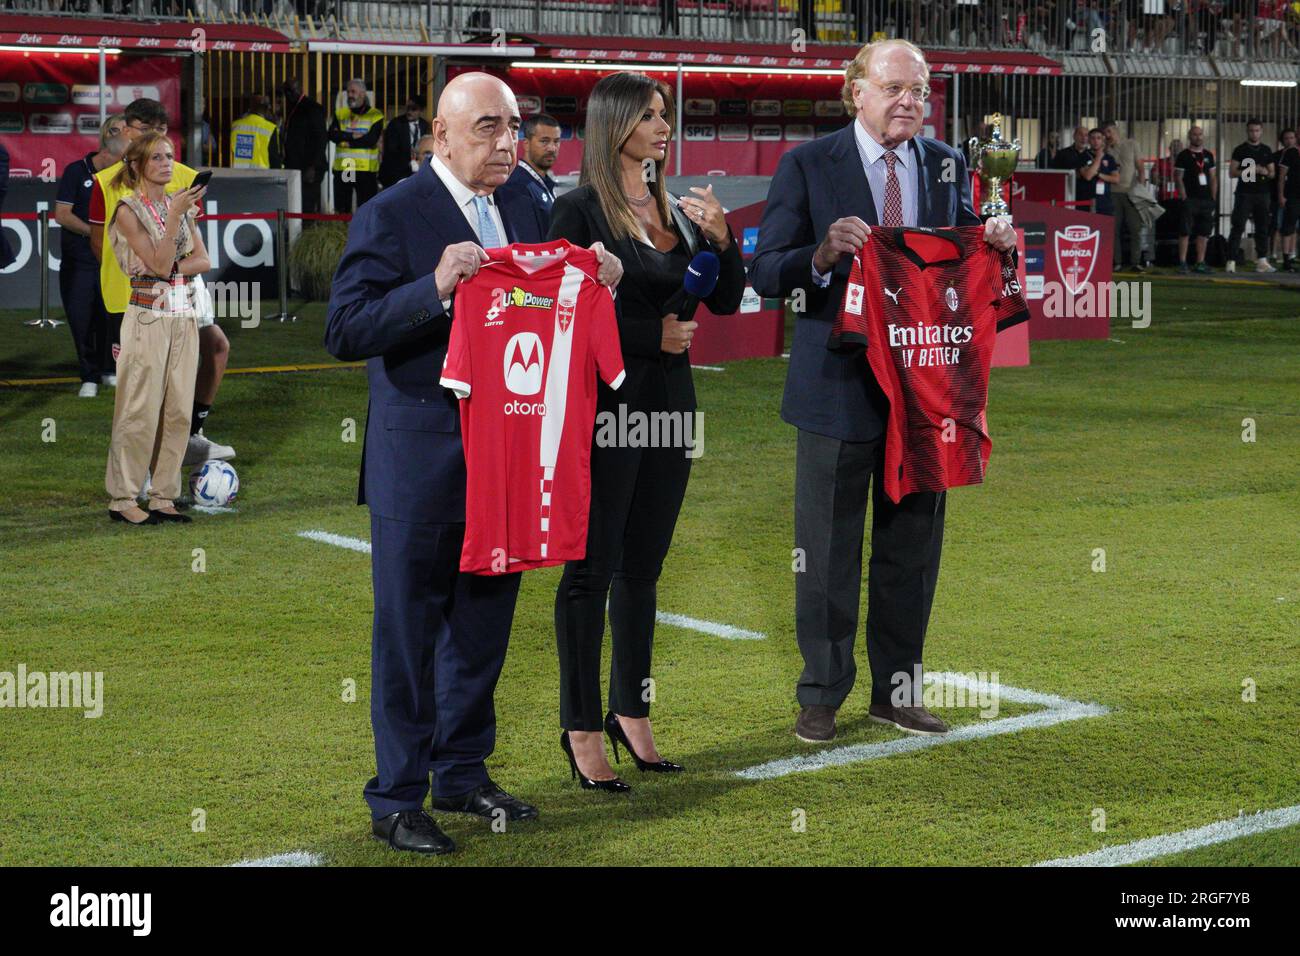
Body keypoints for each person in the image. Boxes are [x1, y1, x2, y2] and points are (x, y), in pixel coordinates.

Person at [324, 72, 623, 855]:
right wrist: (433, 287)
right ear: (441, 137)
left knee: (485, 627)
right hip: (421, 463)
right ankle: (396, 797)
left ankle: (461, 773)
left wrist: (600, 278)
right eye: (487, 128)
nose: (506, 142)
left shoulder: (528, 203)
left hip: (513, 456)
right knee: (408, 635)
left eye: (513, 126)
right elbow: (346, 327)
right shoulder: (390, 214)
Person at [750, 38, 1016, 743]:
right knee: (827, 551)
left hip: (927, 388)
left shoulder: (947, 164)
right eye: (896, 87)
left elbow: (956, 261)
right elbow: (766, 273)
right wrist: (821, 254)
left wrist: (995, 243)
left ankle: (896, 693)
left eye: (921, 91)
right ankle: (822, 693)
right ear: (856, 92)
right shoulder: (807, 164)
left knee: (912, 549)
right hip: (838, 386)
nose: (910, 102)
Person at [547, 72, 745, 790]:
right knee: (591, 571)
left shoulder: (676, 207)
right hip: (606, 410)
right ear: (615, 124)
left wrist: (726, 240)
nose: (665, 126)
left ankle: (633, 714)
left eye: (666, 114)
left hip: (672, 409)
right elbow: (558, 314)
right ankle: (579, 727)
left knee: (643, 570)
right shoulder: (575, 212)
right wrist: (644, 336)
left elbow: (721, 299)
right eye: (651, 115)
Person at [88, 98, 235, 468]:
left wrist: (171, 271)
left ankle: (190, 438)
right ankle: (136, 471)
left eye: (150, 134)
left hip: (184, 292)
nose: (140, 139)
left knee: (213, 348)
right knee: (143, 388)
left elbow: (197, 246)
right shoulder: (105, 182)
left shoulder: (184, 176)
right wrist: (139, 275)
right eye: (134, 130)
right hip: (133, 294)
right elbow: (98, 243)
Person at [104, 132, 210, 526]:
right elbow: (160, 263)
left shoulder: (176, 205)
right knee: (139, 409)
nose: (167, 164)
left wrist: (171, 265)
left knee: (179, 410)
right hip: (147, 316)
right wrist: (174, 224)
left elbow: (202, 260)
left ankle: (164, 494)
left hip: (183, 315)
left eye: (170, 156)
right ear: (138, 166)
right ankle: (123, 497)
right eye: (158, 158)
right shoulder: (128, 211)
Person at [56, 115, 125, 397]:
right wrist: (95, 234)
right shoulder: (76, 171)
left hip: (113, 262)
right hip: (79, 262)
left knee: (112, 317)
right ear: (108, 143)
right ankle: (89, 376)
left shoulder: (125, 176)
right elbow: (62, 215)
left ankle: (110, 369)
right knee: (81, 317)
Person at [1226, 118, 1277, 273]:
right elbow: (1232, 173)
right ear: (1247, 131)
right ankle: (1231, 260)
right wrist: (1251, 170)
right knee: (1238, 226)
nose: (1254, 133)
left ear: (1261, 131)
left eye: (1257, 130)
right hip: (1244, 194)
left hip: (1263, 194)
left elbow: (1273, 173)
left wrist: (1266, 172)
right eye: (1251, 130)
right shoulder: (1240, 150)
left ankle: (1262, 260)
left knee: (1262, 227)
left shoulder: (1266, 150)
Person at [328, 78, 384, 213]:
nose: (350, 95)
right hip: (347, 166)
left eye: (353, 91)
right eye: (348, 92)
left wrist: (345, 138)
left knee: (365, 209)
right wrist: (352, 136)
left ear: (363, 94)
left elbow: (370, 140)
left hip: (365, 170)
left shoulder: (375, 115)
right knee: (343, 207)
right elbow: (332, 135)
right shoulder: (341, 113)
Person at [501, 113, 561, 229]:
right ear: (526, 144)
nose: (552, 148)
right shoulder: (516, 185)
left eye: (556, 141)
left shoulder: (544, 182)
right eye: (544, 141)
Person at [278, 78, 328, 215]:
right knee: (295, 206)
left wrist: (313, 166)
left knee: (307, 207)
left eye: (292, 91)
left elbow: (321, 138)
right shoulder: (292, 108)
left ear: (300, 89)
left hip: (309, 168)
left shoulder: (312, 108)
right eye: (286, 92)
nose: (289, 95)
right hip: (295, 167)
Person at [1101, 119, 1146, 271]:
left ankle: (1136, 262)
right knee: (1114, 229)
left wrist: (1140, 188)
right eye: (1105, 133)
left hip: (1131, 191)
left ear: (1116, 130)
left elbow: (1140, 168)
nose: (1108, 135)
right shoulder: (1104, 149)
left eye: (1110, 132)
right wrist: (1105, 148)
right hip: (1112, 193)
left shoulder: (1132, 144)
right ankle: (1116, 262)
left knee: (1135, 228)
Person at [1175, 125, 1218, 274]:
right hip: (1190, 199)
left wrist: (1213, 197)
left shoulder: (1208, 155)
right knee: (1185, 231)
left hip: (1206, 200)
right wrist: (1184, 196)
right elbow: (1178, 178)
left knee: (1203, 233)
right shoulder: (1183, 156)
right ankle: (1182, 262)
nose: (1198, 137)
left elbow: (1213, 177)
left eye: (1200, 134)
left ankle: (1200, 262)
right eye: (1194, 135)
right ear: (1189, 136)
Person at [378, 96, 430, 188]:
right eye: (408, 108)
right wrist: (409, 163)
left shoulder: (424, 125)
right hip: (398, 172)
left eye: (413, 109)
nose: (409, 112)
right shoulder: (396, 124)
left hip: (420, 170)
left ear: (421, 110)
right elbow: (391, 150)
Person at [229, 94, 281, 170]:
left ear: (250, 108)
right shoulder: (270, 128)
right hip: (261, 177)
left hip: (237, 175)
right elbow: (274, 160)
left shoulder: (235, 125)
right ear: (266, 109)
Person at [1080, 127, 1119, 214]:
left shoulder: (1109, 158)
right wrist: (1098, 157)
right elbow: (1088, 176)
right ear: (1089, 140)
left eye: (1099, 138)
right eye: (1093, 138)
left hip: (1105, 202)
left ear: (1103, 140)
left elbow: (1116, 179)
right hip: (1087, 202)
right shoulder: (1083, 156)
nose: (1096, 141)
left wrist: (1098, 174)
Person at [1276, 128, 1300, 272]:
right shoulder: (1291, 152)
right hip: (1293, 197)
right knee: (1288, 228)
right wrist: (1281, 195)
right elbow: (1281, 177)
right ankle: (1286, 261)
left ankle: (1292, 256)